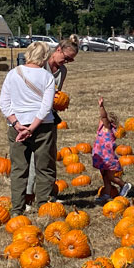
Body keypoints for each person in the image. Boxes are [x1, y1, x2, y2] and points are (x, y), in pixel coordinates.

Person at [0, 41, 58, 216]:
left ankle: (17, 209)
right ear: (45, 57)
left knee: (19, 168)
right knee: (44, 168)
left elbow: (3, 103)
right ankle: (43, 208)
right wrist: (31, 128)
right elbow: (46, 106)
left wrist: (18, 124)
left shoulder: (13, 74)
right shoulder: (47, 77)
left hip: (17, 128)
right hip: (43, 127)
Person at [24, 36, 79, 210]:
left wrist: (59, 102)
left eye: (71, 60)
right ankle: (28, 195)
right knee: (33, 157)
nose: (68, 62)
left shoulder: (62, 71)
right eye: (67, 58)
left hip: (50, 117)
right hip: (33, 116)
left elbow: (56, 93)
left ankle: (47, 194)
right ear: (58, 50)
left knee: (49, 156)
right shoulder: (40, 66)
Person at [94, 96, 131, 202]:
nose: (100, 120)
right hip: (101, 157)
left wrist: (101, 107)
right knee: (105, 176)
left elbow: (104, 117)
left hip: (107, 158)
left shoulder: (108, 128)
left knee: (110, 176)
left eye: (101, 119)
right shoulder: (102, 129)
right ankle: (107, 194)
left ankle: (124, 185)